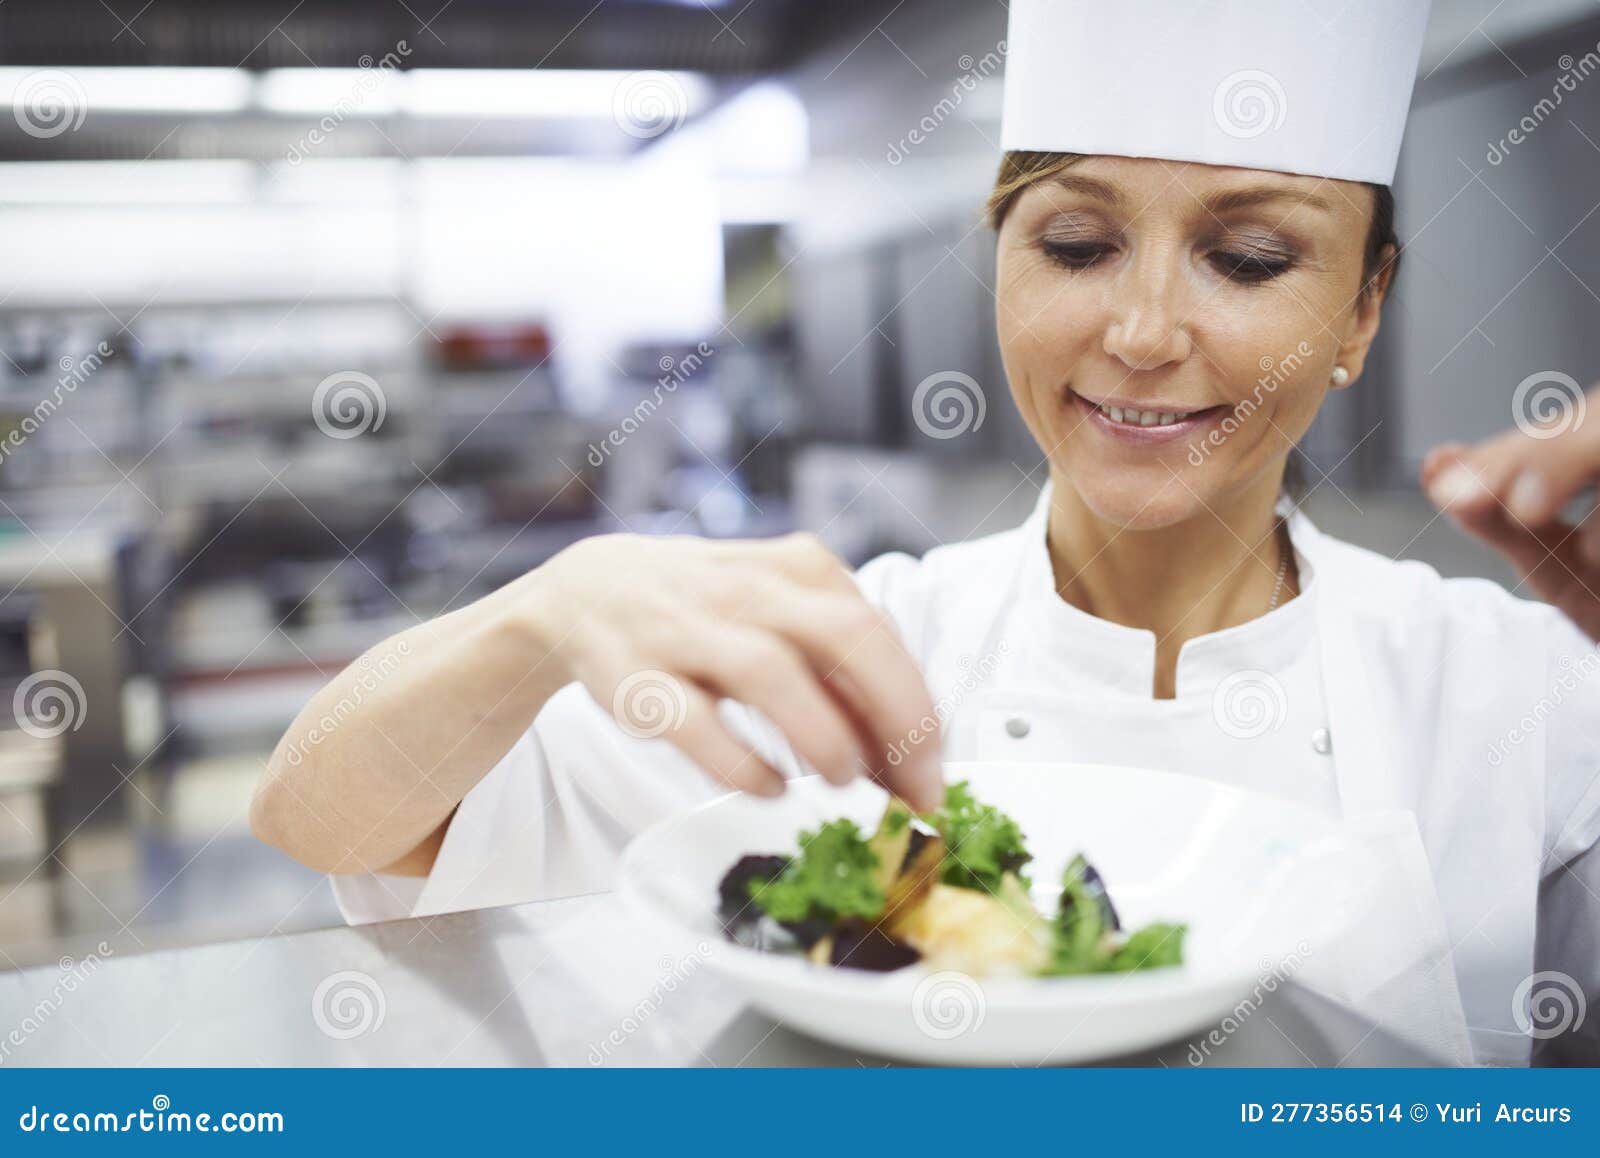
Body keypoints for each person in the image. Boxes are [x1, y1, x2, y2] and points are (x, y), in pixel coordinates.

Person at [251, 0, 1599, 1064]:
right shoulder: (834, 663)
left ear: (1365, 310)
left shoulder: (1522, 687)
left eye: (1247, 259)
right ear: (1000, 257)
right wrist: (546, 609)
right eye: (1075, 243)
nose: (1140, 334)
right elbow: (327, 814)